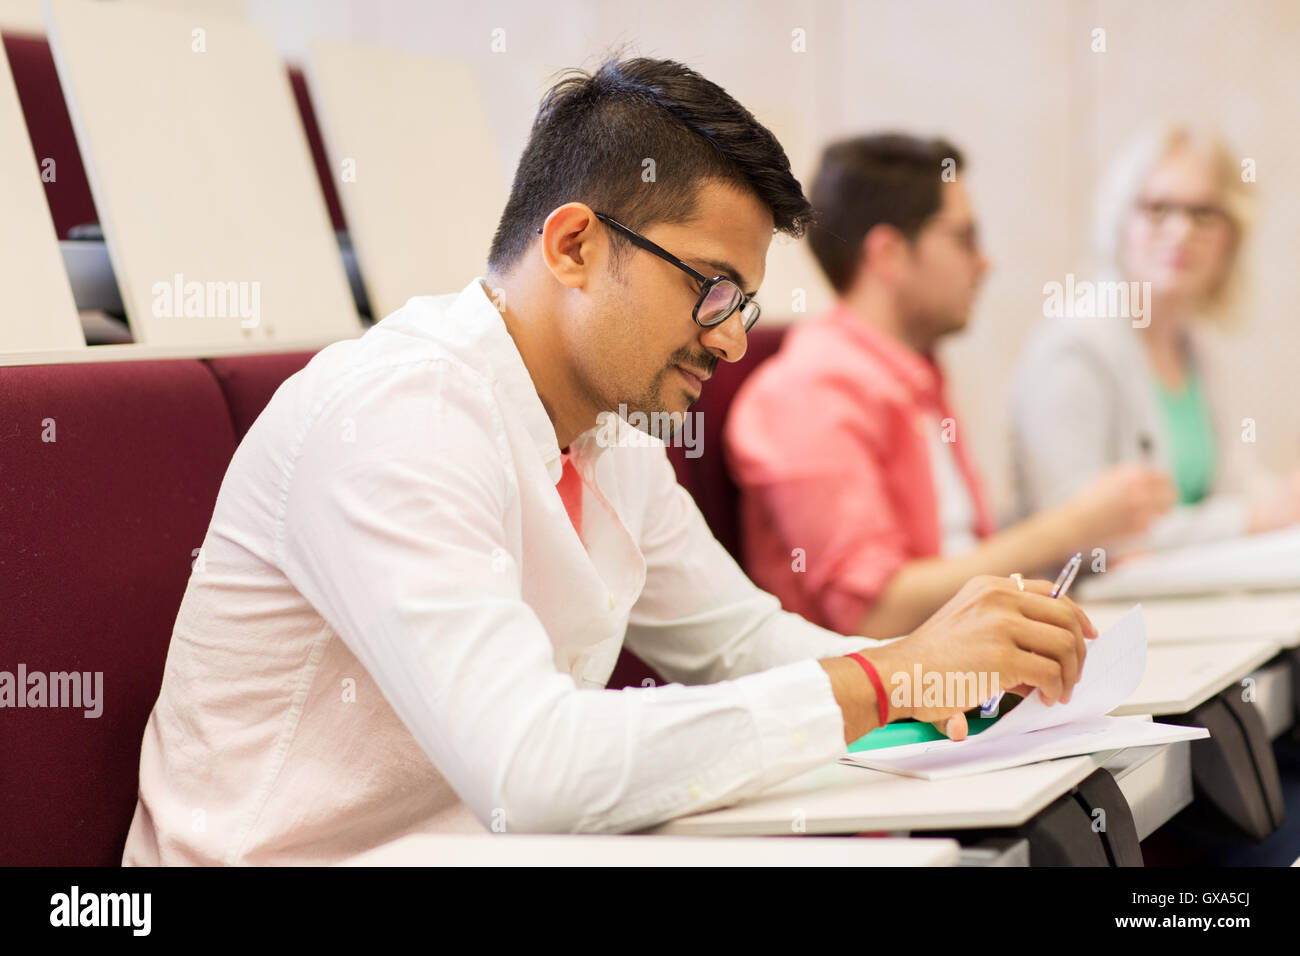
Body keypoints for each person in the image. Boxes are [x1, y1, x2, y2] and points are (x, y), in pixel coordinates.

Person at [123, 61, 1095, 865]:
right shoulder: (397, 416)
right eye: (712, 290)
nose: (732, 342)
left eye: (744, 304)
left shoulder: (609, 439)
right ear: (577, 245)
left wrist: (936, 675)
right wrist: (884, 681)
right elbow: (531, 768)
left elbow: (743, 644)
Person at [725, 134, 1171, 639]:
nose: (985, 263)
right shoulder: (807, 394)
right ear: (889, 254)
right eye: (964, 240)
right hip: (886, 703)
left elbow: (957, 555)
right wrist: (1074, 525)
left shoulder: (916, 373)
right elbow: (875, 614)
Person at [1010, 123, 1300, 549]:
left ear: (1230, 238)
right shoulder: (1073, 345)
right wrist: (1250, 520)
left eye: (1203, 215)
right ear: (1119, 220)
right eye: (1159, 209)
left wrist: (1278, 503)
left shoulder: (1196, 346)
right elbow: (1074, 535)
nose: (1182, 232)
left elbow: (1234, 487)